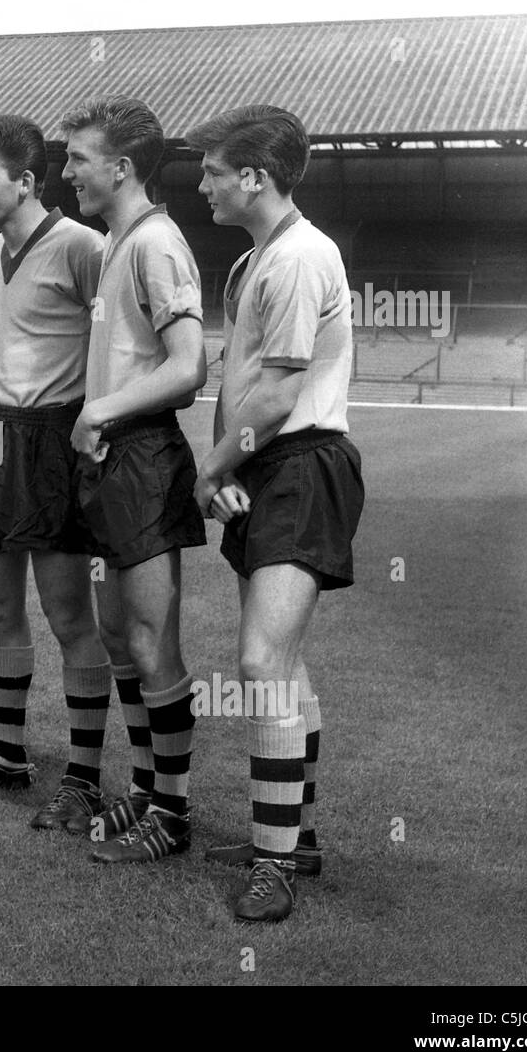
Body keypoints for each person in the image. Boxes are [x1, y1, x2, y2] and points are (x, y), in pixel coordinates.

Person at [186, 104, 364, 922]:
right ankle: (294, 836)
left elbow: (286, 389)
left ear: (253, 175)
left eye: (215, 171)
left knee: (260, 665)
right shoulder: (258, 257)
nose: (204, 184)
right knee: (283, 664)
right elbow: (245, 382)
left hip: (303, 466)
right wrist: (229, 469)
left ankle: (276, 861)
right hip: (268, 466)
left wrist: (208, 469)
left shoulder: (298, 256)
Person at [0, 114, 114, 828]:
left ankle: (82, 779)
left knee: (71, 613)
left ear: (28, 182)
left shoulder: (83, 248)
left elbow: (122, 345)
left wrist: (95, 423)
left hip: (53, 441)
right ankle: (6, 756)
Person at [57, 97, 209, 866]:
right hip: (110, 459)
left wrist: (103, 409)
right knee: (119, 634)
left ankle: (174, 812)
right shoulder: (120, 240)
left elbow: (190, 367)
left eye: (78, 157)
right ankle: (149, 789)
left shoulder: (156, 243)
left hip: (143, 456)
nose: (65, 170)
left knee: (153, 641)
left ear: (119, 167)